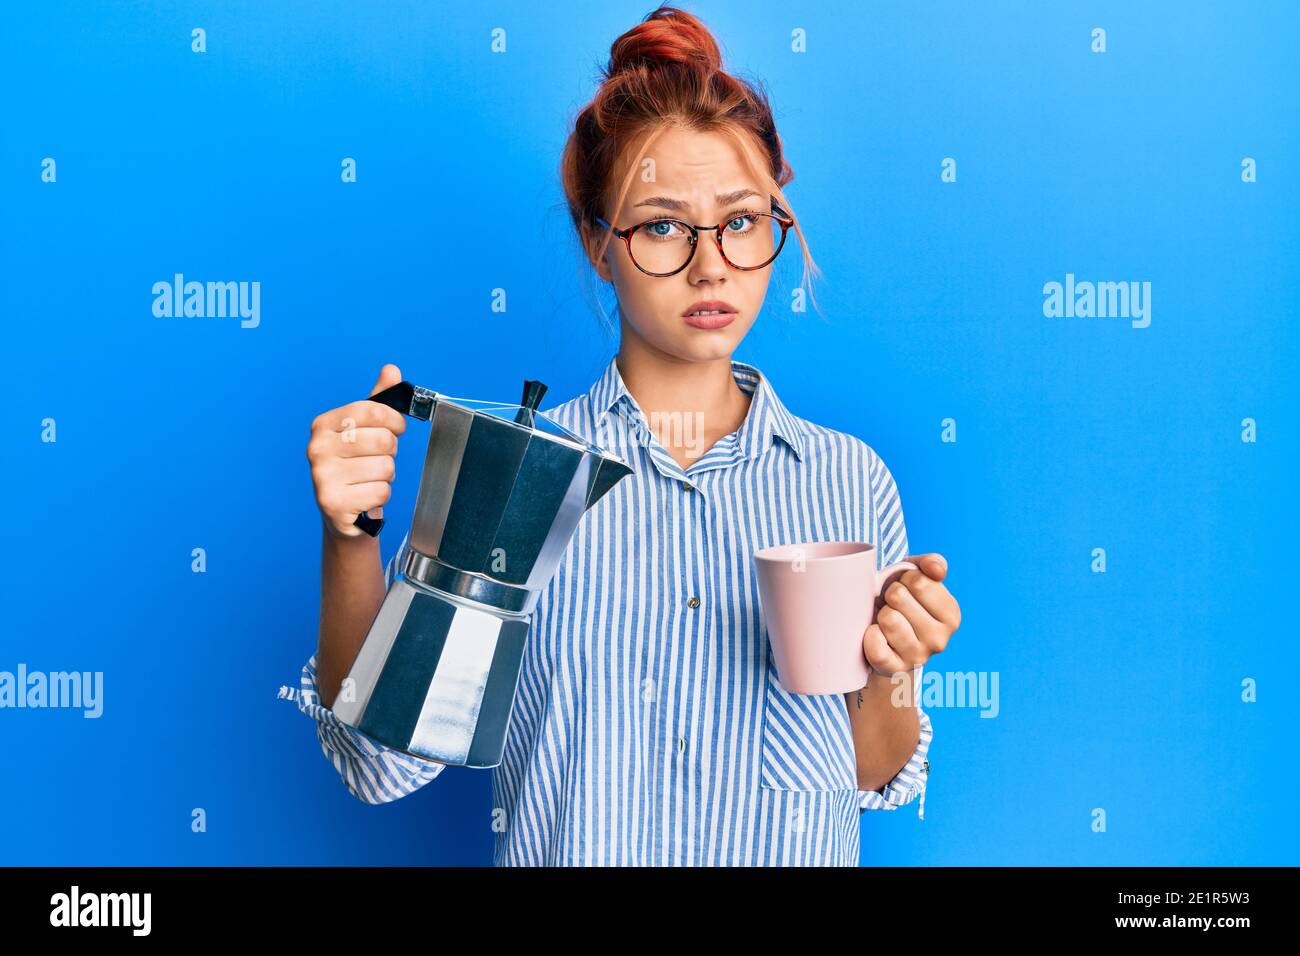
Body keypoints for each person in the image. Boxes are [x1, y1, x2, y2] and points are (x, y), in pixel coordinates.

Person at [286, 3, 961, 866]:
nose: (711, 262)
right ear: (597, 244)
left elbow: (873, 771)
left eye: (743, 220)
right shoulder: (520, 475)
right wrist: (351, 541)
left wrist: (893, 666)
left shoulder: (848, 480)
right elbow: (376, 765)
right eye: (664, 226)